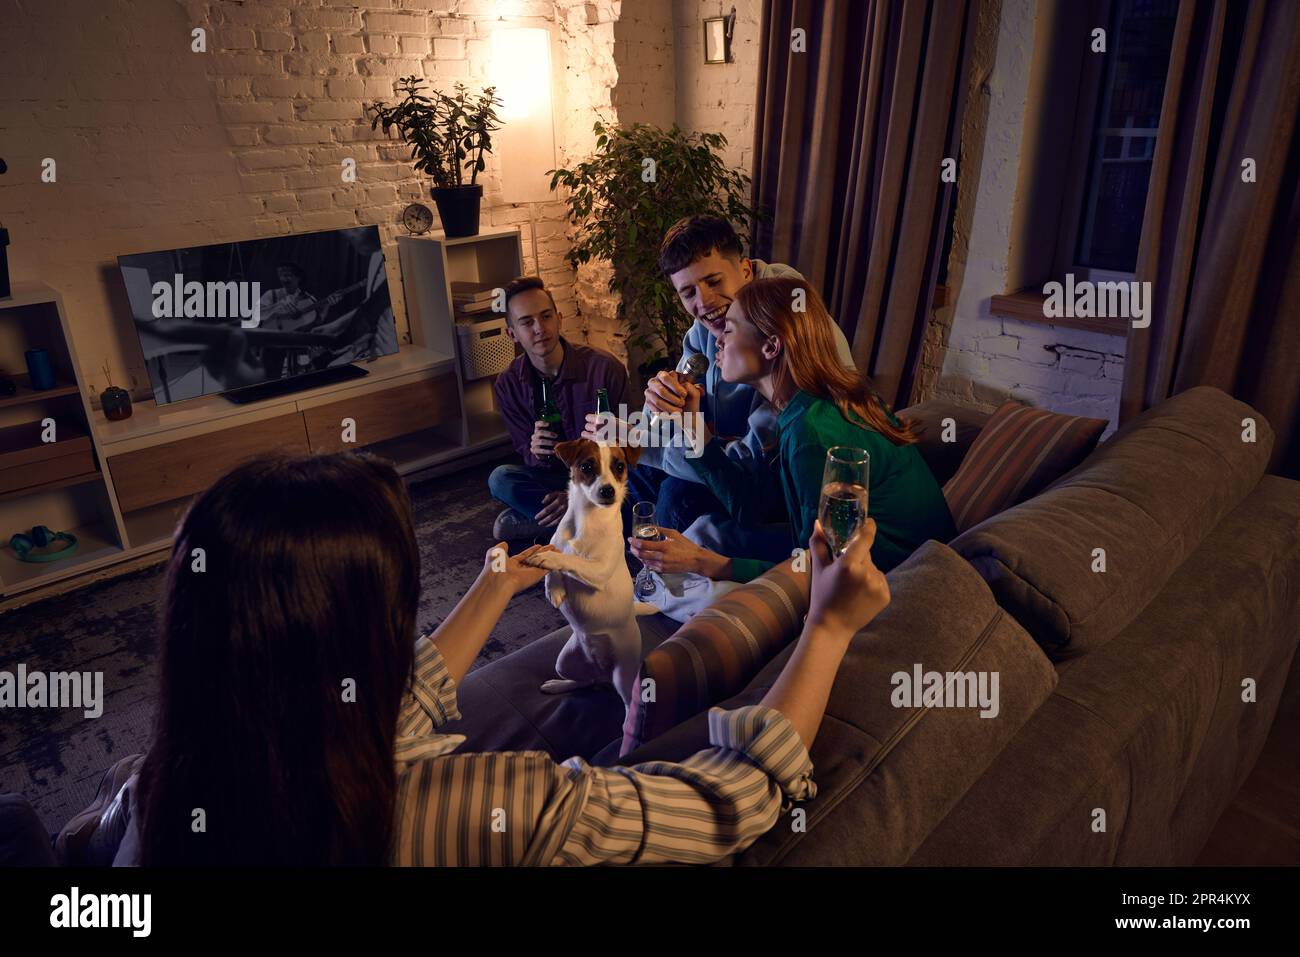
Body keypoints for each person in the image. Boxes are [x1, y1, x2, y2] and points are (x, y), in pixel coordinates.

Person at [57, 451, 890, 866]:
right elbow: (729, 800)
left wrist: (499, 583)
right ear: (374, 627)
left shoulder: (153, 787)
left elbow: (388, 700)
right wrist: (825, 627)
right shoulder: (488, 801)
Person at [630, 276, 955, 583]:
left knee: (696, 541)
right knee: (697, 523)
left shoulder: (813, 430)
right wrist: (690, 420)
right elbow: (750, 507)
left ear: (771, 346)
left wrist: (703, 562)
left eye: (729, 329)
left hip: (901, 576)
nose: (718, 339)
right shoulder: (802, 408)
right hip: (853, 556)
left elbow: (816, 570)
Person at [586, 214, 854, 564]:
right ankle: (614, 566)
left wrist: (639, 442)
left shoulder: (785, 329)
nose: (704, 303)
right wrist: (657, 406)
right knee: (628, 473)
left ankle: (658, 580)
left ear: (744, 269)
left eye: (713, 281)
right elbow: (673, 419)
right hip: (723, 456)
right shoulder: (705, 328)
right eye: (688, 292)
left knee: (674, 493)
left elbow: (746, 476)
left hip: (766, 481)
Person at [490, 276, 628, 541]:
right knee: (500, 479)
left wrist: (576, 494)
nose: (540, 328)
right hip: (550, 479)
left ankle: (545, 523)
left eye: (546, 316)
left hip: (600, 479)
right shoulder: (507, 384)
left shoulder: (605, 368)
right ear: (512, 334)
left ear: (559, 318)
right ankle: (584, 524)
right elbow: (525, 453)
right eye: (527, 322)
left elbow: (626, 447)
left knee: (643, 489)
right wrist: (533, 449)